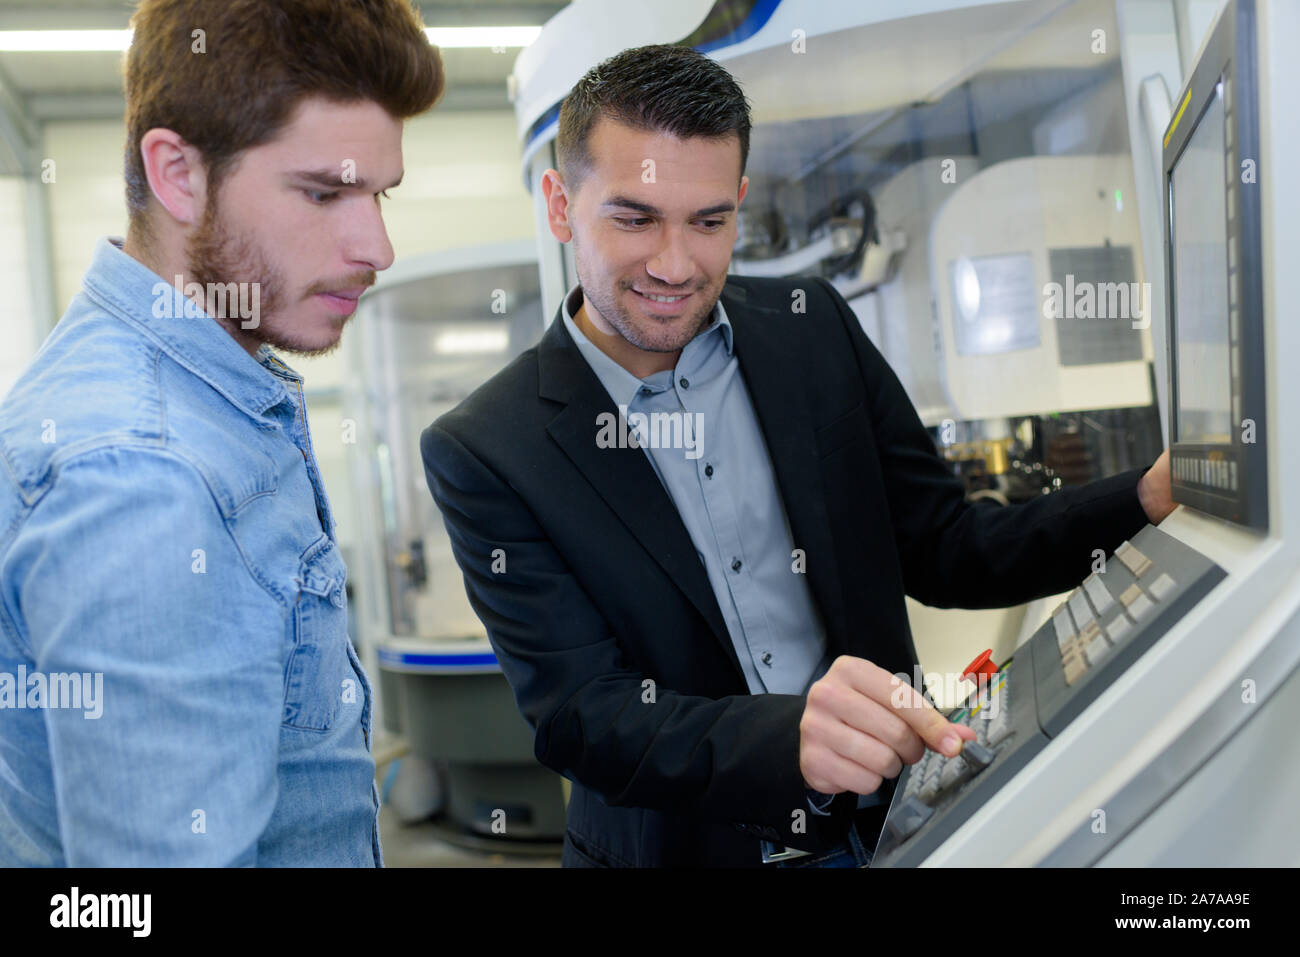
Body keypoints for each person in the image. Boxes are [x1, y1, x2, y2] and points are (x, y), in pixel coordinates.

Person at [420, 43, 1175, 868]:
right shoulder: (489, 445)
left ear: (741, 202)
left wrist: (1140, 498)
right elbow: (582, 714)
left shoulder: (809, 327)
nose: (675, 264)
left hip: (885, 830)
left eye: (709, 221)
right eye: (634, 218)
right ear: (561, 206)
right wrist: (793, 739)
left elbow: (950, 547)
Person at [0, 0, 444, 866]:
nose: (378, 245)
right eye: (324, 192)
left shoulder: (209, 392)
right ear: (178, 175)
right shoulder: (143, 474)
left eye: (380, 194)